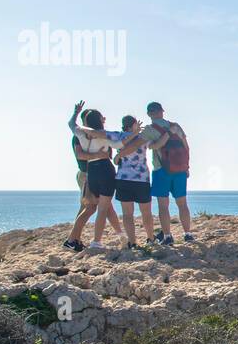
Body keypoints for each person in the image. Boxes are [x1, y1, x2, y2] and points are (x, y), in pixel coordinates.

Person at [68, 101, 144, 249]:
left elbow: (71, 124)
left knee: (93, 206)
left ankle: (94, 241)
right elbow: (120, 144)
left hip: (92, 171)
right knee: (103, 208)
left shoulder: (80, 133)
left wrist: (76, 113)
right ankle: (96, 241)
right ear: (100, 121)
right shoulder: (105, 135)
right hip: (105, 169)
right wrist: (135, 133)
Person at [142, 101, 194, 245]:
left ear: (149, 114)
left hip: (161, 169)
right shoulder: (175, 126)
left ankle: (167, 236)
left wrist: (153, 145)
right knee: (182, 204)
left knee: (163, 205)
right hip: (180, 169)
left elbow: (150, 146)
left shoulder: (149, 129)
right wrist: (186, 166)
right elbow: (186, 147)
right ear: (162, 111)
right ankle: (188, 234)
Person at [114, 115, 168, 248]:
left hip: (123, 178)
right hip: (141, 179)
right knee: (146, 212)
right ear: (133, 125)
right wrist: (167, 134)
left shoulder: (120, 138)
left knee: (127, 214)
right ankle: (150, 238)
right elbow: (157, 145)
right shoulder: (142, 137)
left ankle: (132, 242)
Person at [64, 132, 122, 251]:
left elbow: (109, 153)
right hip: (87, 174)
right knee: (89, 208)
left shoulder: (94, 134)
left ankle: (122, 235)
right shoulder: (80, 136)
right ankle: (72, 240)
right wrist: (99, 154)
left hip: (95, 173)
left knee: (105, 207)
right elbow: (80, 155)